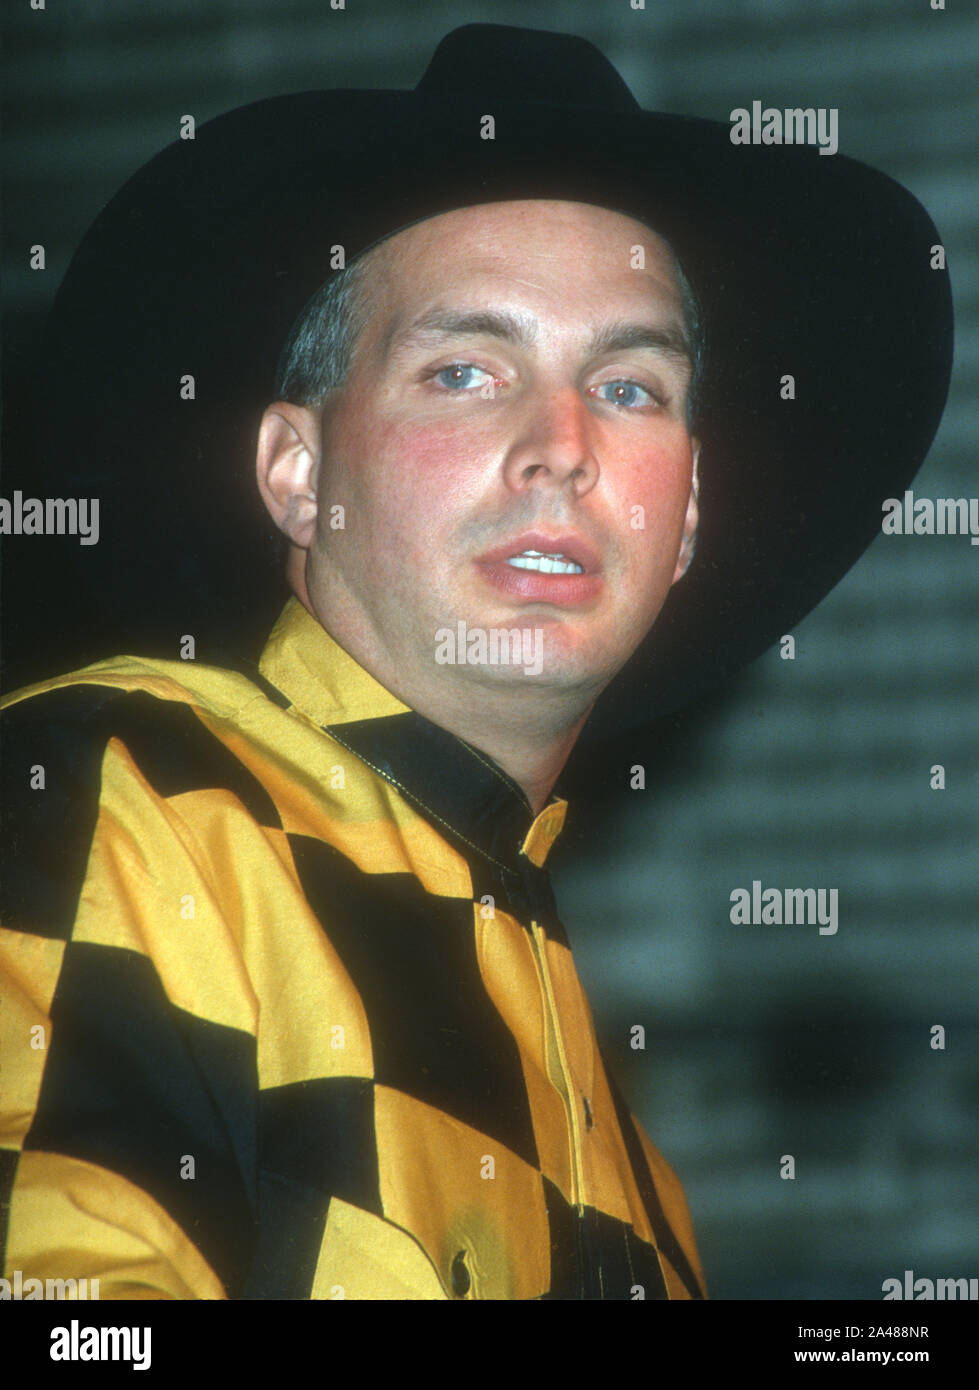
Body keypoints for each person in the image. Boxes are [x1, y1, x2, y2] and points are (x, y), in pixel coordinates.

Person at [0, 24, 951, 1301]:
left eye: (628, 388)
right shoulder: (98, 795)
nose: (561, 447)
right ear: (298, 470)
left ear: (687, 518)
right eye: (463, 370)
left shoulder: (641, 1175)